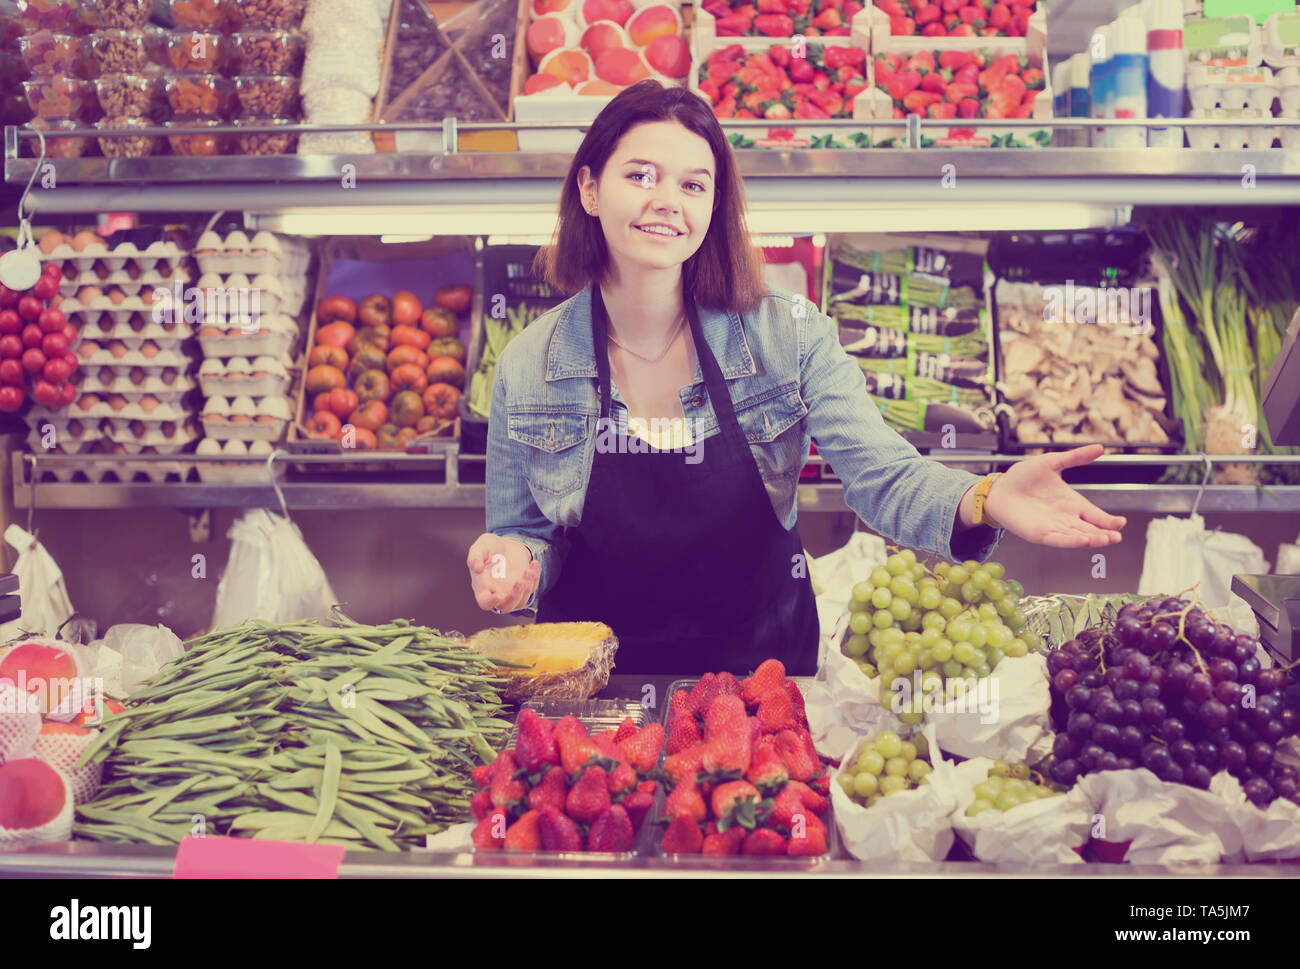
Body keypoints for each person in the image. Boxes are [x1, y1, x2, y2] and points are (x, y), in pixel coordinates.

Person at [467, 79, 1125, 676]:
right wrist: (512, 569)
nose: (667, 201)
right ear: (589, 188)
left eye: (693, 185)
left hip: (764, 680)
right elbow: (523, 534)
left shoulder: (788, 333)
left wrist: (985, 497)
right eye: (641, 175)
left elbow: (884, 475)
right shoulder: (530, 364)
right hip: (593, 685)